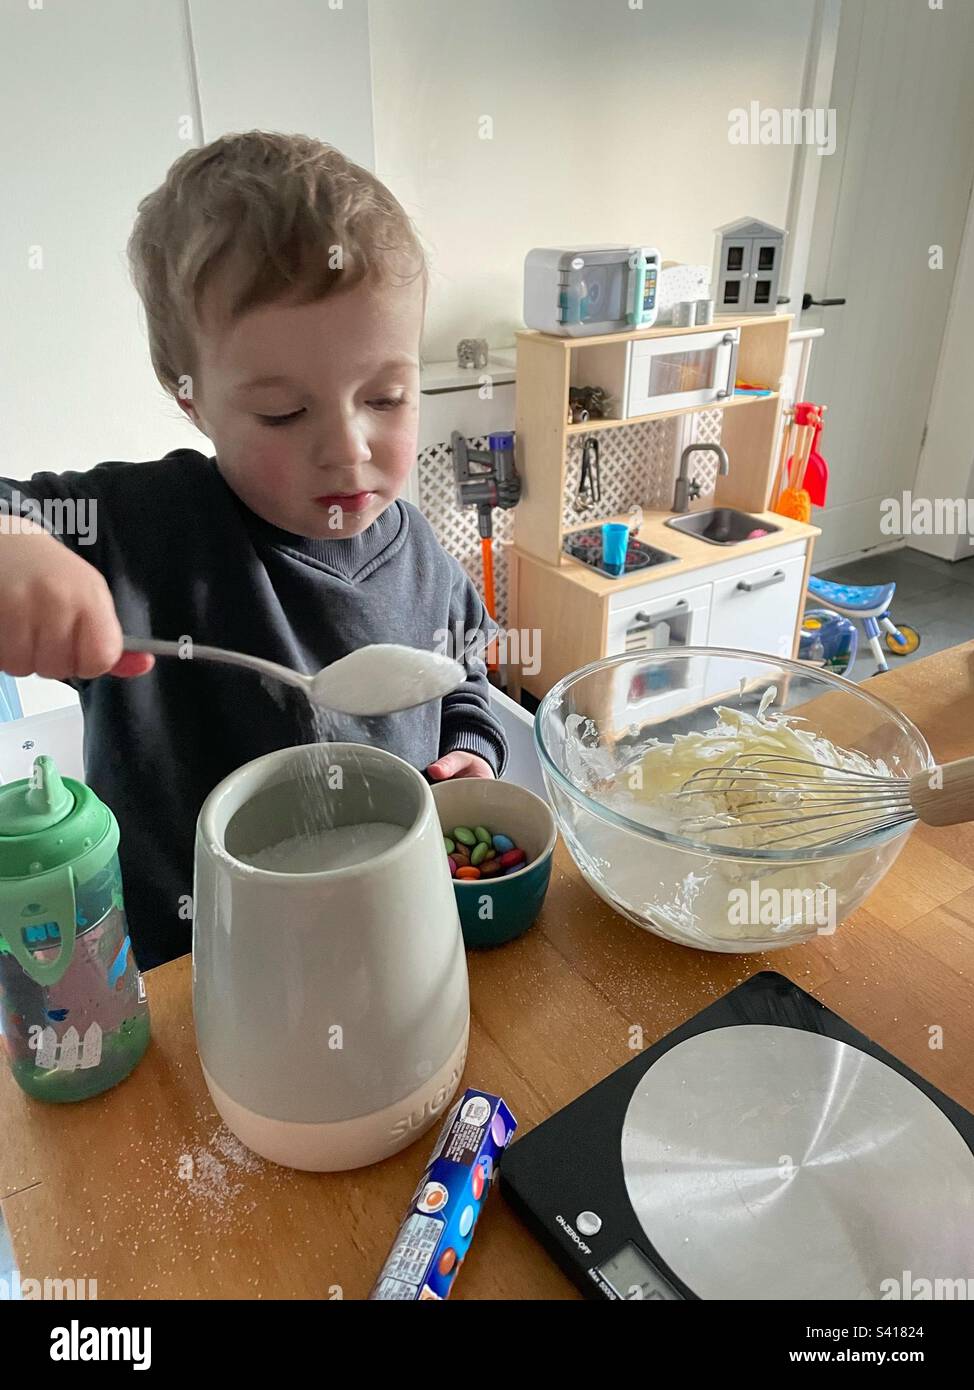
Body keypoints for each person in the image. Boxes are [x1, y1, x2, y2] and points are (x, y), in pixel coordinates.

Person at [0, 131, 507, 968]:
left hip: (389, 941)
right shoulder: (149, 530)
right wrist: (19, 550)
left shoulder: (422, 558)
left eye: (385, 396)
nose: (348, 450)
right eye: (282, 412)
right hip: (194, 975)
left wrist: (469, 755)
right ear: (189, 396)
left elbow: (470, 678)